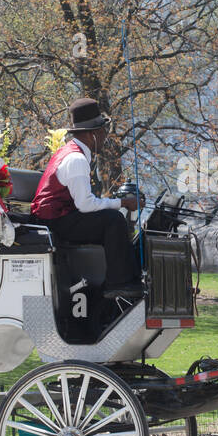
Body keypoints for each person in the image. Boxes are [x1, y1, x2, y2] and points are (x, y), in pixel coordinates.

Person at [30, 98, 143, 299]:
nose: (105, 138)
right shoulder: (76, 159)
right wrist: (123, 203)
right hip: (54, 221)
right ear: (93, 134)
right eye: (103, 133)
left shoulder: (72, 153)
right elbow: (85, 205)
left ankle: (120, 278)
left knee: (108, 219)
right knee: (113, 221)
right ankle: (120, 283)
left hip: (59, 216)